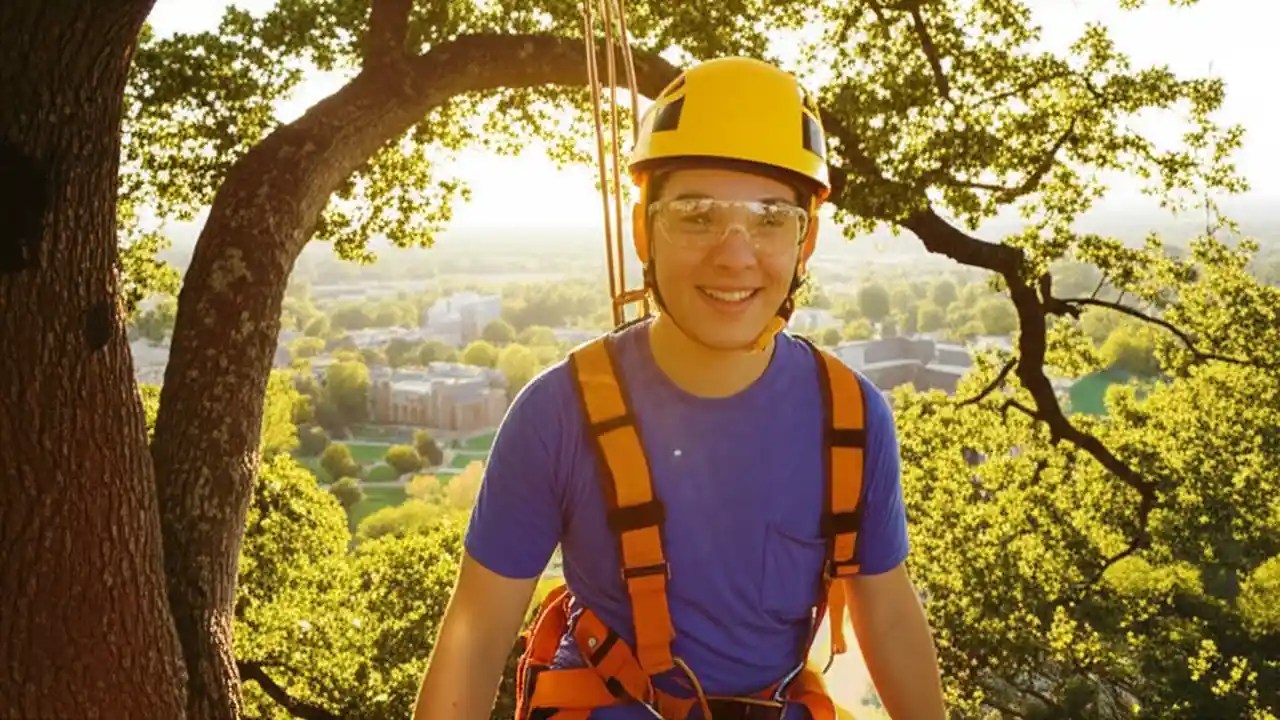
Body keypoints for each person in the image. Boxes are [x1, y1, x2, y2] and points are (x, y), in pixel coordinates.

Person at [413, 56, 946, 720]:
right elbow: (476, 632)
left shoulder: (852, 418)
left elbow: (887, 612)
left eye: (770, 218)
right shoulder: (559, 414)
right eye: (696, 215)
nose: (734, 253)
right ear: (644, 230)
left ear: (805, 242)